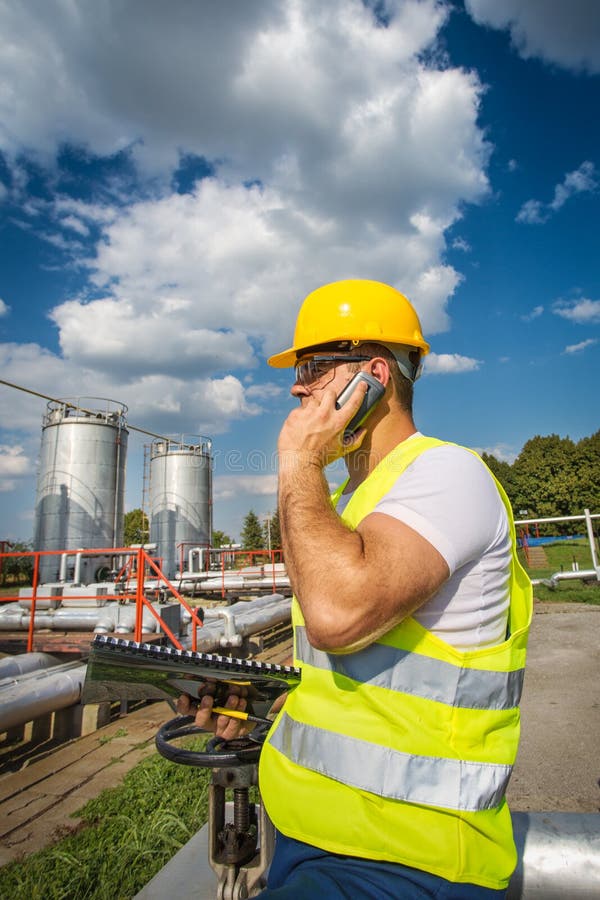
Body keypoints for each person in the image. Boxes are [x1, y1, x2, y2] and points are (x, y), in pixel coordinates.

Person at [182, 279, 532, 899]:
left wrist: (296, 459)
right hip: (308, 843)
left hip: (403, 860)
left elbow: (338, 615)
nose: (297, 386)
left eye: (315, 366)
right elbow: (359, 669)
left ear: (375, 374)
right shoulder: (347, 502)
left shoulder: (445, 473)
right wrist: (259, 698)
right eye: (298, 370)